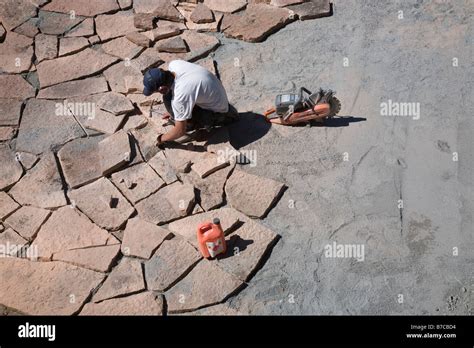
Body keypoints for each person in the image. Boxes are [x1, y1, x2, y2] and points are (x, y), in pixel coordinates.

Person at [143, 60, 237, 146]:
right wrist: (175, 111)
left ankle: (193, 123)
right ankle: (182, 115)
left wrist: (161, 138)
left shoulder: (181, 95)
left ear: (162, 88)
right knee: (168, 97)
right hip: (215, 95)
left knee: (183, 123)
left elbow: (180, 131)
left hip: (220, 111)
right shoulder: (175, 64)